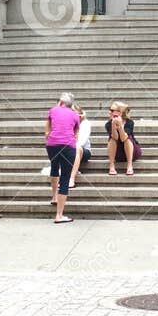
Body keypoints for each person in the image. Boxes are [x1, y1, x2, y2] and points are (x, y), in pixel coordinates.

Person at [45, 92, 80, 223]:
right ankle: (59, 215)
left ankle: (54, 196)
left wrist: (48, 135)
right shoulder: (75, 115)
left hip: (52, 145)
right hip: (68, 146)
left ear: (60, 102)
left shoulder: (53, 110)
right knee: (65, 177)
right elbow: (76, 134)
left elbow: (48, 126)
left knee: (54, 167)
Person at [105, 101, 140, 176]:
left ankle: (129, 165)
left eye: (112, 110)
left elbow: (124, 138)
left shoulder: (129, 122)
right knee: (112, 139)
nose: (109, 112)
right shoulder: (108, 124)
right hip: (118, 153)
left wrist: (120, 126)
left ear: (120, 112)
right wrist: (113, 125)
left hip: (132, 152)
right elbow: (115, 137)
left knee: (128, 138)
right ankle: (111, 165)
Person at [70, 105, 93, 187]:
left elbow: (81, 142)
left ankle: (71, 178)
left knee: (77, 147)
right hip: (67, 151)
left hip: (83, 151)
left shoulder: (85, 123)